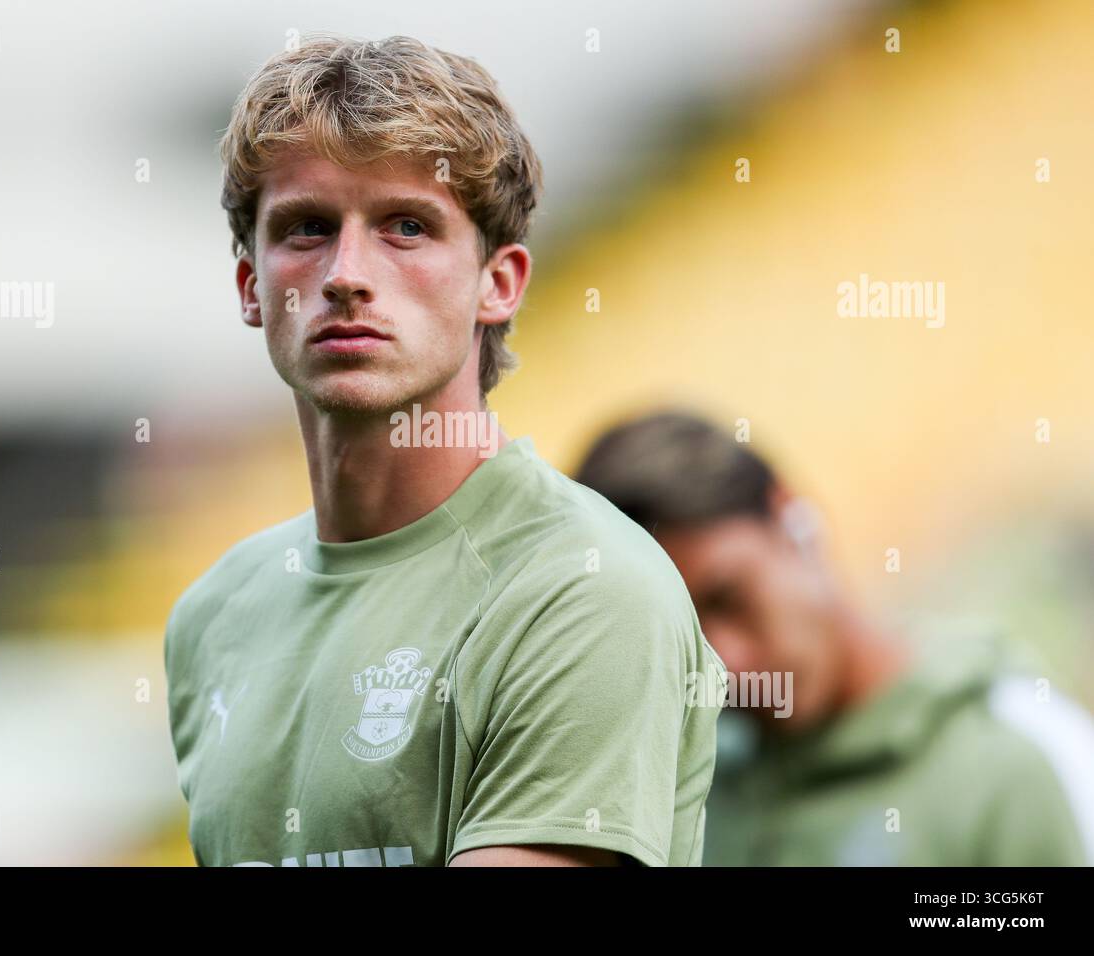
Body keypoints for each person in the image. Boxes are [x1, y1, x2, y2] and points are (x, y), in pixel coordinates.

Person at [163, 35, 725, 867]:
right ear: (252, 286)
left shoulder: (582, 591)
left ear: (498, 283)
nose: (348, 273)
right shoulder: (214, 616)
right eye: (308, 228)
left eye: (406, 227)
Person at [575, 410, 1094, 865]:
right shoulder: (674, 798)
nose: (726, 663)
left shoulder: (1019, 765)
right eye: (681, 639)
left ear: (789, 517)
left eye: (728, 598)